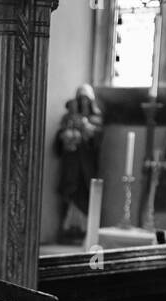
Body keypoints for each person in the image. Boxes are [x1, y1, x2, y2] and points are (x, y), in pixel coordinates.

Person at [55, 83, 104, 242]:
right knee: (70, 192)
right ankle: (68, 231)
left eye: (86, 100)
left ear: (90, 102)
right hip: (71, 164)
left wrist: (86, 130)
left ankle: (83, 232)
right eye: (80, 100)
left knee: (84, 194)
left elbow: (96, 143)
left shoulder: (95, 119)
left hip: (86, 166)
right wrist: (65, 136)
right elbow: (59, 142)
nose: (83, 103)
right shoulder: (68, 118)